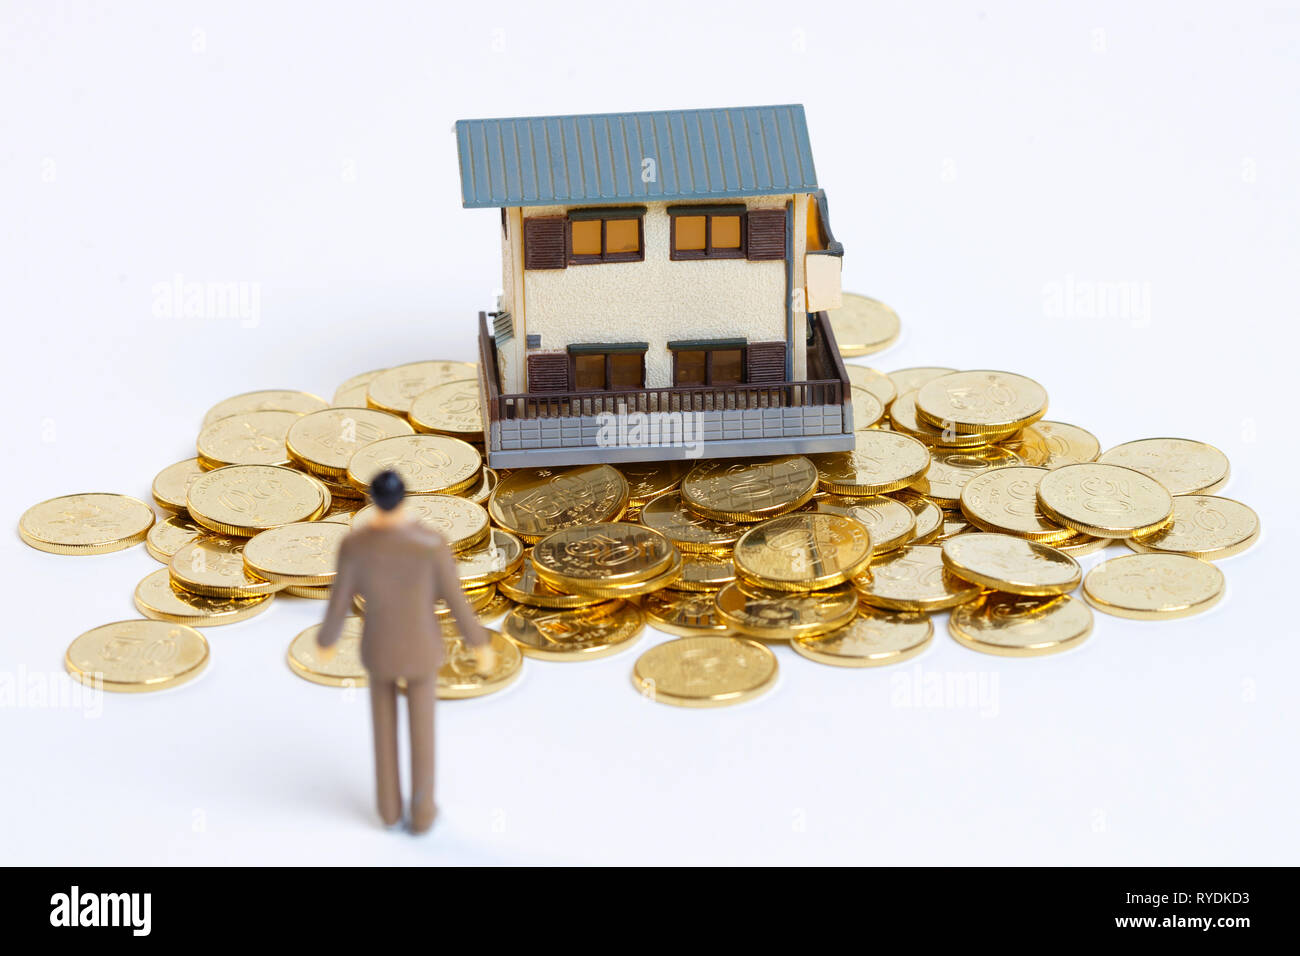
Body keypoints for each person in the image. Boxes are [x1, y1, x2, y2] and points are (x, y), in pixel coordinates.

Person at [316, 469, 494, 833]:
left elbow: (340, 601)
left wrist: (327, 640)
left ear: (373, 501)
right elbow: (457, 602)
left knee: (383, 730)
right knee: (422, 731)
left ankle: (388, 809)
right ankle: (423, 810)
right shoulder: (429, 543)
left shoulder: (356, 545)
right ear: (403, 498)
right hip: (420, 646)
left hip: (379, 646)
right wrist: (478, 643)